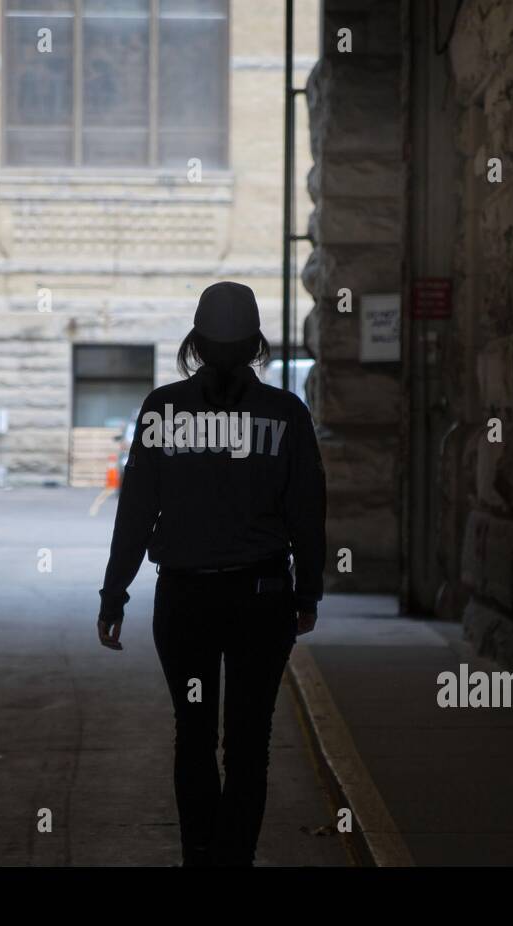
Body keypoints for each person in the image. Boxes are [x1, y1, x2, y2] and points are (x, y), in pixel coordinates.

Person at [96, 281, 327, 867]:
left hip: (186, 601)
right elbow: (308, 509)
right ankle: (234, 860)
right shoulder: (287, 414)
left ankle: (200, 857)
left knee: (193, 732)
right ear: (256, 346)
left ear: (194, 344)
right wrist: (308, 593)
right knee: (250, 744)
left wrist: (114, 594)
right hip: (262, 598)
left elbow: (136, 510)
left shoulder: (161, 410)